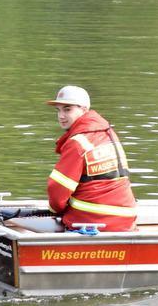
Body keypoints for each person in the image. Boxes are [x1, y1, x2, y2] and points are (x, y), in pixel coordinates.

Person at [45, 85, 137, 231]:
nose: (61, 116)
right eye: (59, 110)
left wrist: (54, 210)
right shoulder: (109, 134)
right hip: (127, 220)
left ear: (84, 109)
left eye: (67, 109)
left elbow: (57, 189)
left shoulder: (78, 142)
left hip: (93, 220)